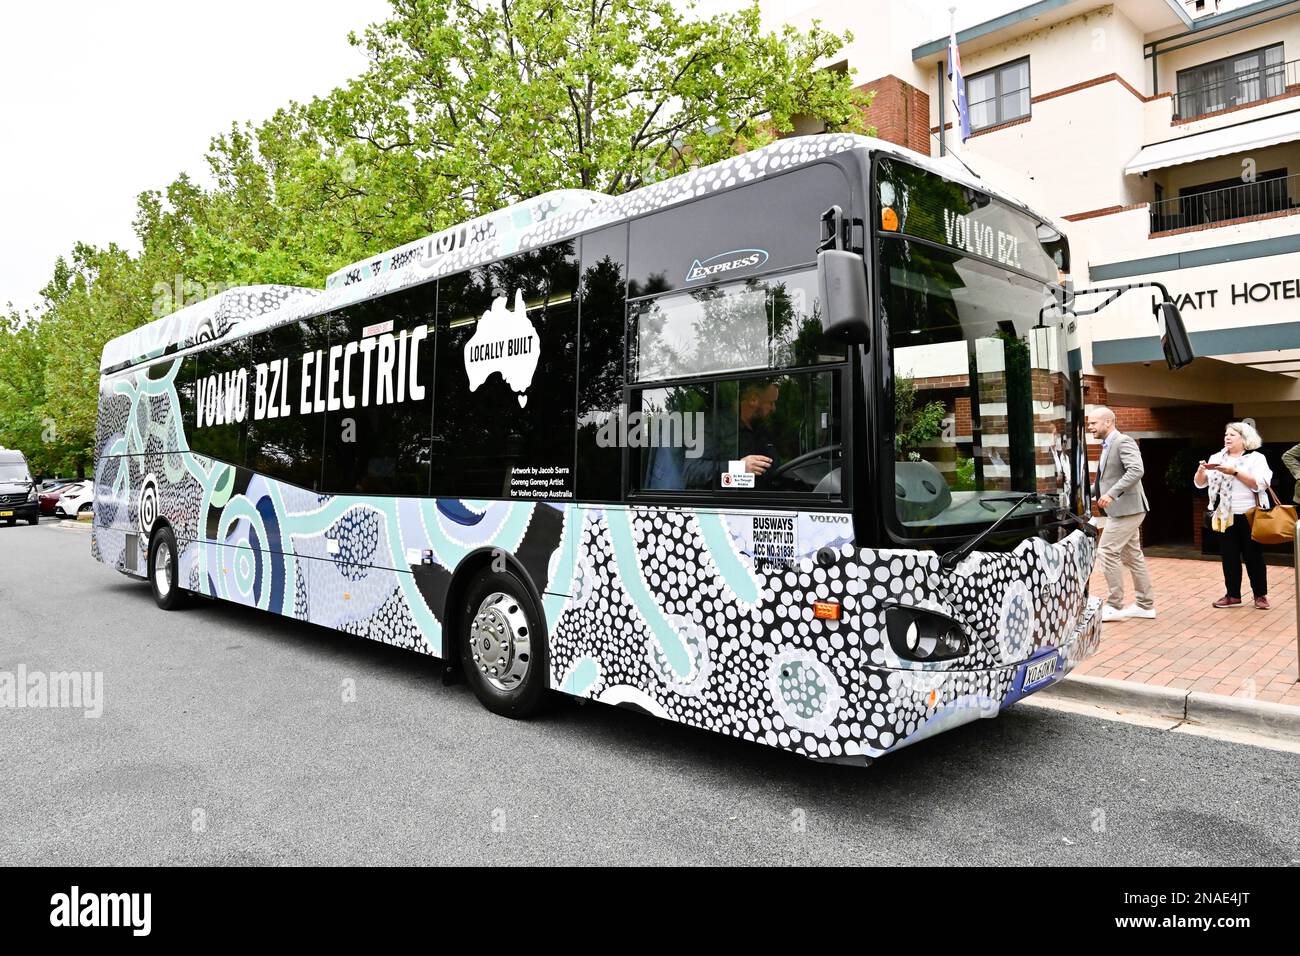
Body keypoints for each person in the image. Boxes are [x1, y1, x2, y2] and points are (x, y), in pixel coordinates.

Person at [1086, 406, 1155, 622]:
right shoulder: (1107, 444)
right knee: (1132, 556)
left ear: (1108, 422)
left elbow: (1136, 470)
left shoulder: (1123, 441)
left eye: (1093, 423)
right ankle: (1145, 606)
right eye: (1089, 423)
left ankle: (1115, 606)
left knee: (1106, 551)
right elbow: (1105, 478)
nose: (1090, 427)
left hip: (1128, 510)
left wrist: (1112, 494)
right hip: (1122, 510)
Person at [1195, 421, 1273, 610]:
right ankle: (1232, 595)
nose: (1227, 438)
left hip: (1249, 513)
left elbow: (1260, 484)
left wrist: (1235, 472)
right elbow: (1200, 484)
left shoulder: (1256, 458)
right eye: (1226, 434)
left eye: (1232, 435)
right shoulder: (1217, 457)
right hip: (1225, 514)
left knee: (1253, 555)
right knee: (1229, 556)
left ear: (1244, 439)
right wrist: (1201, 471)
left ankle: (1260, 595)